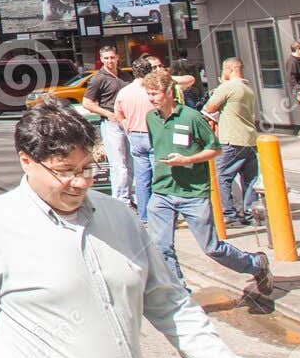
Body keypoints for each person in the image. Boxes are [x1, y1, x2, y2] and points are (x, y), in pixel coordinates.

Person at [0, 99, 287, 358]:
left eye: (87, 167)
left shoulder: (119, 217)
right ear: (26, 160)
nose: (80, 182)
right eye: (64, 171)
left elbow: (172, 305)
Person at [143, 69, 273, 295]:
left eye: (155, 93)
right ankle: (180, 292)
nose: (151, 99)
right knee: (161, 247)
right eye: (149, 94)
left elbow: (214, 148)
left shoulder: (191, 117)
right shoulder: (151, 118)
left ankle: (255, 264)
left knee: (212, 248)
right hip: (162, 191)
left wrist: (188, 159)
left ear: (169, 93)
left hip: (193, 194)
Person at [202, 58, 261, 229]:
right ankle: (251, 213)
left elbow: (209, 108)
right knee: (249, 178)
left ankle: (229, 215)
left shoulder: (228, 87)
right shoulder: (248, 88)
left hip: (230, 139)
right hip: (249, 139)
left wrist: (221, 85)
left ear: (229, 69)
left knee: (221, 177)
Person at [81, 46, 131, 205]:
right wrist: (107, 113)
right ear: (101, 60)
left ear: (117, 58)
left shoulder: (125, 76)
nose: (110, 61)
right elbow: (87, 102)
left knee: (132, 163)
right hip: (111, 125)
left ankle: (133, 197)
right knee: (119, 165)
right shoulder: (98, 79)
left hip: (128, 123)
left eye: (112, 57)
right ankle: (121, 201)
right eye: (106, 58)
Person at [114, 54, 159, 221]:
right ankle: (160, 213)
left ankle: (144, 214)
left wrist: (126, 124)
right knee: (159, 176)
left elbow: (117, 113)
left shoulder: (124, 92)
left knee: (142, 178)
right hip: (153, 135)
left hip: (135, 135)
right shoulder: (152, 92)